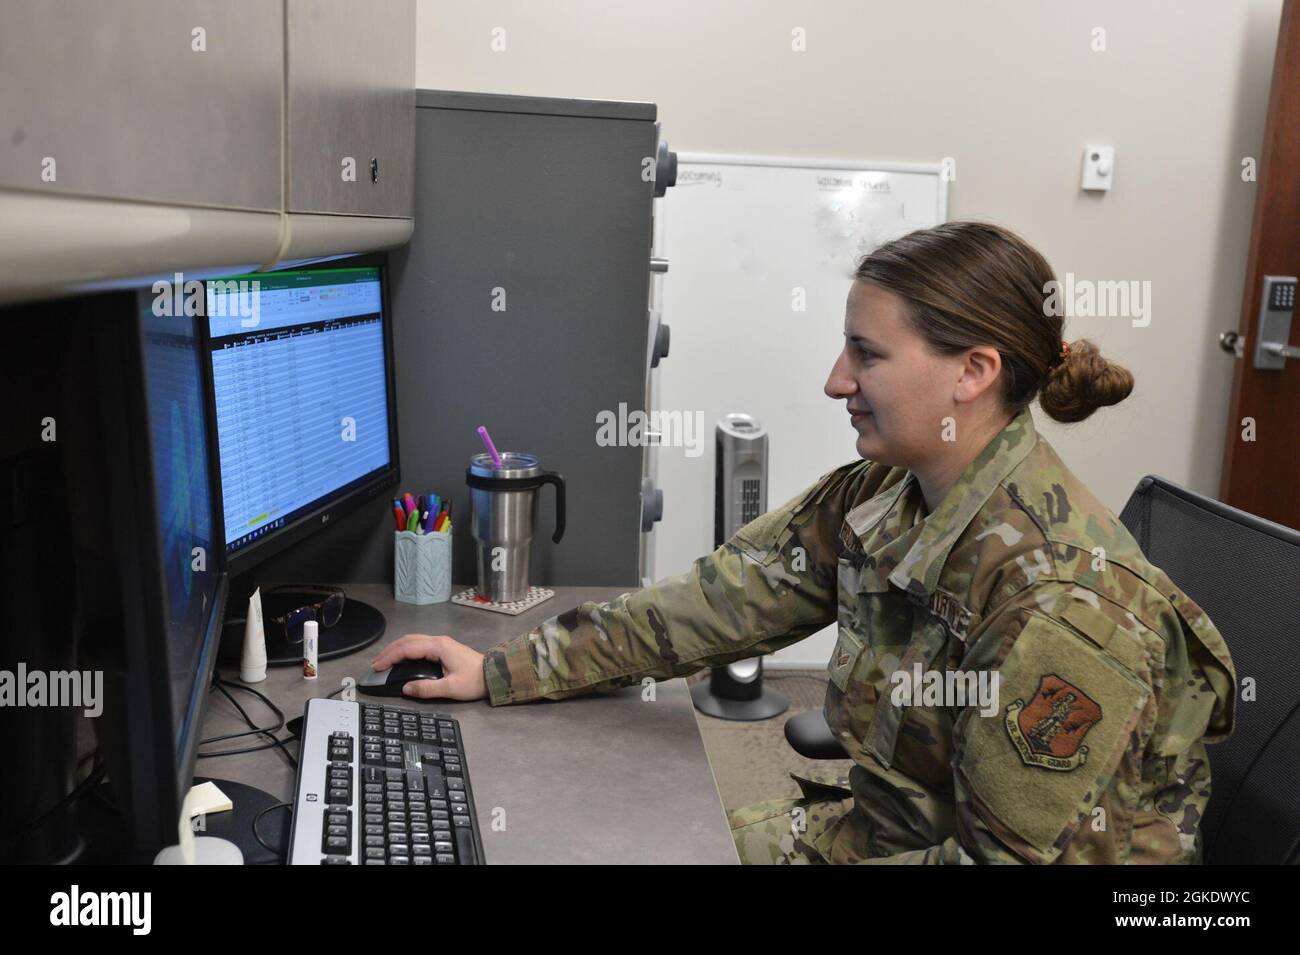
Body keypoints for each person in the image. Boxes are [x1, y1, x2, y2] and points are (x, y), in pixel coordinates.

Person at [372, 220, 1237, 864]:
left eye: (867, 354)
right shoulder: (888, 490)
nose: (836, 381)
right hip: (882, 833)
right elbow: (711, 606)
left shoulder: (1066, 599)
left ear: (972, 372)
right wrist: (501, 670)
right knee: (622, 841)